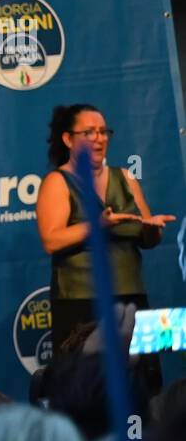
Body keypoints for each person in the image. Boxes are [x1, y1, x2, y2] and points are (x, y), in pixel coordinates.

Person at [35, 103, 175, 348]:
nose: (99, 139)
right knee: (87, 381)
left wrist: (152, 230)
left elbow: (148, 239)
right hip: (82, 303)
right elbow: (51, 240)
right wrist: (98, 225)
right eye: (89, 132)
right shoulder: (57, 182)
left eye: (103, 131)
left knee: (142, 379)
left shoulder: (126, 178)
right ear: (68, 139)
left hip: (131, 298)